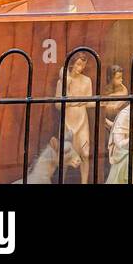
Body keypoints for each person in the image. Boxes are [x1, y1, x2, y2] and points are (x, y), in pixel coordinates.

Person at [55, 54, 94, 184]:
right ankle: (62, 181)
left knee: (85, 153)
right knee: (66, 155)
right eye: (78, 64)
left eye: (83, 65)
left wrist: (100, 102)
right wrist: (68, 93)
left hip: (82, 120)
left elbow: (88, 101)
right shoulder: (63, 82)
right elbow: (58, 104)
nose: (81, 68)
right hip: (68, 121)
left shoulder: (87, 80)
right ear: (71, 64)